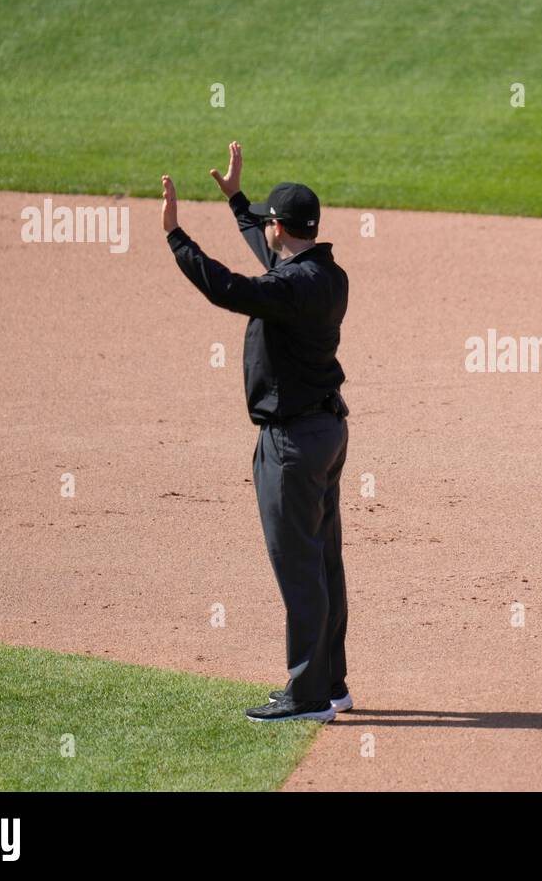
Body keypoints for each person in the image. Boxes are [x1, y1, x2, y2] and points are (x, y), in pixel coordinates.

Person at [160, 141, 352, 722]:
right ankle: (330, 684)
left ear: (279, 228)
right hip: (326, 432)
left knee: (299, 567)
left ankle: (308, 696)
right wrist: (238, 202)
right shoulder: (324, 274)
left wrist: (176, 237)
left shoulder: (289, 288)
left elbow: (229, 288)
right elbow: (272, 263)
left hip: (291, 444)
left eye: (267, 220)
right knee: (322, 564)